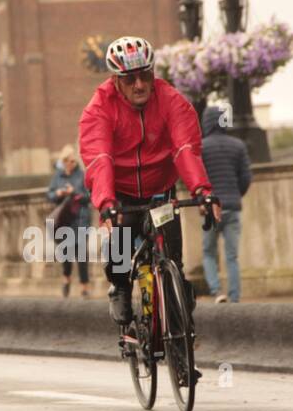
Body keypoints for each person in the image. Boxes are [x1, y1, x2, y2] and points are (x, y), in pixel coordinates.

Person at [78, 35, 218, 338]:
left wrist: (202, 192)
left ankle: (180, 335)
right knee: (119, 246)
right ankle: (119, 287)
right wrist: (106, 202)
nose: (139, 85)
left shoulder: (171, 101)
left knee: (174, 267)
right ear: (116, 80)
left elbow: (185, 149)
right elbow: (99, 157)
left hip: (160, 192)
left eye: (145, 76)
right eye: (129, 79)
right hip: (122, 193)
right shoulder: (99, 108)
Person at [199, 106, 251, 302]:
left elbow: (196, 177)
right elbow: (246, 177)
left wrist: (202, 202)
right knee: (232, 256)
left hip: (210, 209)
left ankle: (216, 291)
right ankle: (235, 296)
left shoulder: (201, 147)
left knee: (209, 253)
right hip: (232, 207)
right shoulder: (238, 145)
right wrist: (236, 195)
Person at [46, 144, 91, 298]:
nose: (70, 164)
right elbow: (49, 195)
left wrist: (75, 193)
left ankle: (84, 287)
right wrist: (57, 193)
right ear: (63, 161)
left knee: (82, 255)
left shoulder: (82, 175)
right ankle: (66, 279)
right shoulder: (57, 176)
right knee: (66, 253)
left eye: (72, 161)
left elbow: (89, 196)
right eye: (67, 161)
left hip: (80, 220)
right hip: (64, 221)